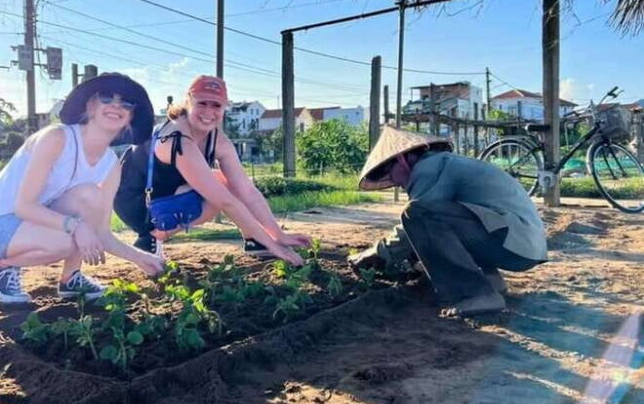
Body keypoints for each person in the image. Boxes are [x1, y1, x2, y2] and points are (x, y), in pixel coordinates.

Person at [0, 73, 165, 304]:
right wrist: (75, 226)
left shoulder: (111, 164)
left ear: (131, 117)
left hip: (35, 223)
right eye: (106, 98)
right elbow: (24, 207)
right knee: (66, 242)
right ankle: (3, 266)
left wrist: (140, 257)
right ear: (90, 106)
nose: (115, 106)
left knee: (90, 195)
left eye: (126, 103)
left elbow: (100, 232)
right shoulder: (57, 137)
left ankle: (70, 278)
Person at [348, 126, 547, 316]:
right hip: (524, 245)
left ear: (401, 159)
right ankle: (491, 282)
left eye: (389, 175)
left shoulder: (430, 167)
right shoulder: (446, 163)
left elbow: (418, 218)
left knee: (417, 213)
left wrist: (377, 253)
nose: (397, 184)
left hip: (513, 240)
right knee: (430, 225)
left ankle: (474, 293)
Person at [115, 75, 309, 266]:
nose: (208, 112)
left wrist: (278, 235)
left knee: (226, 181)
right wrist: (274, 246)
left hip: (165, 194)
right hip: (135, 202)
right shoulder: (177, 139)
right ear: (189, 101)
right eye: (202, 103)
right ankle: (150, 238)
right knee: (219, 191)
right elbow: (225, 201)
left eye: (216, 105)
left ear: (225, 108)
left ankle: (255, 241)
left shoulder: (218, 140)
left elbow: (247, 190)